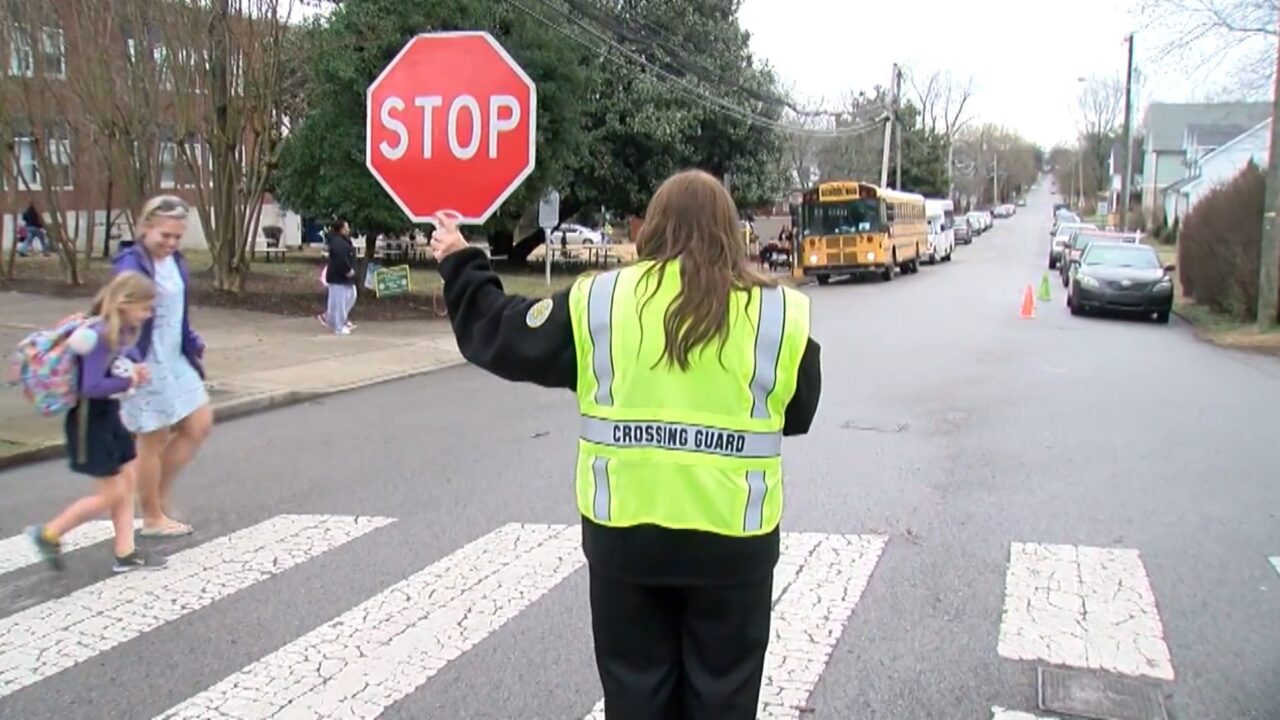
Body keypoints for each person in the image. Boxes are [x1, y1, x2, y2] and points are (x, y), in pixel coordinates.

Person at [430, 169, 822, 719]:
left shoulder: (601, 303)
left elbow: (502, 334)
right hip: (734, 545)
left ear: (650, 229)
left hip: (626, 542)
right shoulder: (778, 313)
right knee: (724, 700)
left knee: (636, 697)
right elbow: (798, 412)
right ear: (732, 233)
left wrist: (461, 260)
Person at [27, 272, 167, 572]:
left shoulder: (115, 333)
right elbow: (90, 386)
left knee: (128, 479)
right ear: (125, 303)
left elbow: (120, 362)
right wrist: (128, 379)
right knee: (113, 491)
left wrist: (132, 371)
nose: (148, 313)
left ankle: (125, 552)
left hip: (108, 415)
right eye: (144, 307)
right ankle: (49, 533)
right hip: (90, 421)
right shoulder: (96, 337)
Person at [112, 195, 212, 537]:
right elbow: (117, 313)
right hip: (144, 361)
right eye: (164, 235)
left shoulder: (176, 261)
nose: (170, 243)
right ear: (146, 228)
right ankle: (152, 516)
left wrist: (191, 340)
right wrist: (127, 362)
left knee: (198, 424)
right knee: (152, 438)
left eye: (177, 237)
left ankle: (158, 494)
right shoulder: (131, 264)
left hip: (175, 356)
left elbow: (178, 310)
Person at [319, 218, 358, 335]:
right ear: (341, 229)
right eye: (346, 227)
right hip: (339, 277)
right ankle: (339, 326)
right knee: (340, 302)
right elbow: (340, 258)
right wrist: (347, 270)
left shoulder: (342, 241)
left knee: (350, 295)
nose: (348, 229)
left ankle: (331, 319)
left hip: (341, 277)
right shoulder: (337, 242)